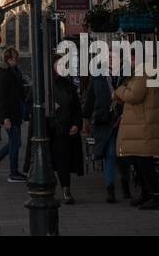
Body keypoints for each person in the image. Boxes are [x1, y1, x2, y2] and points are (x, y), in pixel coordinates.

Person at [114, 74, 159, 209]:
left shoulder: (143, 74)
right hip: (139, 125)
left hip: (143, 124)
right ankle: (146, 193)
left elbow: (134, 96)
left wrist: (119, 90)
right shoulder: (138, 74)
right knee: (138, 161)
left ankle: (156, 196)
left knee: (145, 162)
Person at [82, 73, 129, 202]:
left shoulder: (125, 75)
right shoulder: (97, 77)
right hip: (104, 121)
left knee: (123, 155)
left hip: (123, 120)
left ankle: (125, 183)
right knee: (110, 154)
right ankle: (110, 188)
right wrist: (85, 118)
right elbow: (90, 97)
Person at [0, 48, 26, 182]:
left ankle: (0, 167)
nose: (17, 60)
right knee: (15, 142)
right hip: (9, 115)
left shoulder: (14, 71)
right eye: (15, 58)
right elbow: (0, 97)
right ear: (9, 59)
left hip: (15, 113)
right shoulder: (4, 73)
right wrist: (4, 117)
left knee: (16, 142)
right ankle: (3, 168)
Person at [49, 71, 84, 204]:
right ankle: (50, 188)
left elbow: (76, 108)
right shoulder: (45, 84)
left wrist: (76, 123)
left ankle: (66, 189)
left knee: (63, 160)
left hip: (64, 129)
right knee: (49, 161)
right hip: (48, 129)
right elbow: (31, 103)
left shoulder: (69, 86)